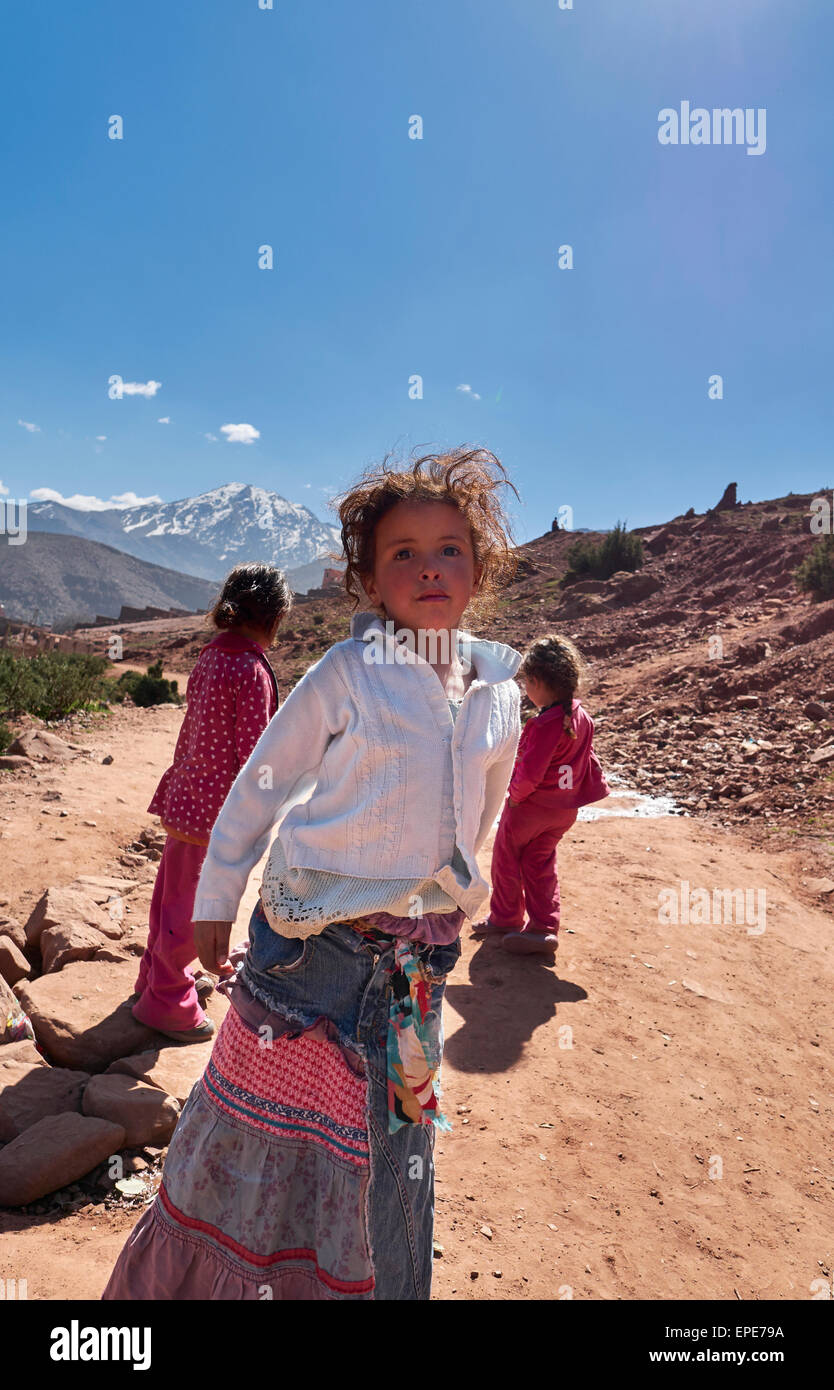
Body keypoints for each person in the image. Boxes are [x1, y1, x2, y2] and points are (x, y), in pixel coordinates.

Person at [102, 445, 523, 1301]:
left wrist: (462, 898)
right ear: (370, 581)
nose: (428, 566)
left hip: (415, 971)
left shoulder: (496, 690)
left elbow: (486, 809)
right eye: (401, 552)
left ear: (477, 571)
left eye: (448, 548)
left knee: (394, 1153)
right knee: (257, 1141)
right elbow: (264, 780)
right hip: (309, 953)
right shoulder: (347, 673)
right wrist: (218, 891)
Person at [129, 563, 288, 1043]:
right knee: (194, 907)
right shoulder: (252, 669)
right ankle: (168, 1002)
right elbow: (256, 753)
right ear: (275, 616)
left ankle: (153, 980)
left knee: (169, 899)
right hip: (217, 814)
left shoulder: (210, 656)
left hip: (186, 798)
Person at [473, 634, 610, 956]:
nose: (526, 692)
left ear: (535, 681)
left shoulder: (545, 723)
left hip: (530, 808)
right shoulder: (581, 717)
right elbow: (587, 760)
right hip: (564, 811)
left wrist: (515, 797)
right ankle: (544, 928)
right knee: (541, 864)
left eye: (526, 684)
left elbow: (531, 772)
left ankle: (505, 917)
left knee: (506, 860)